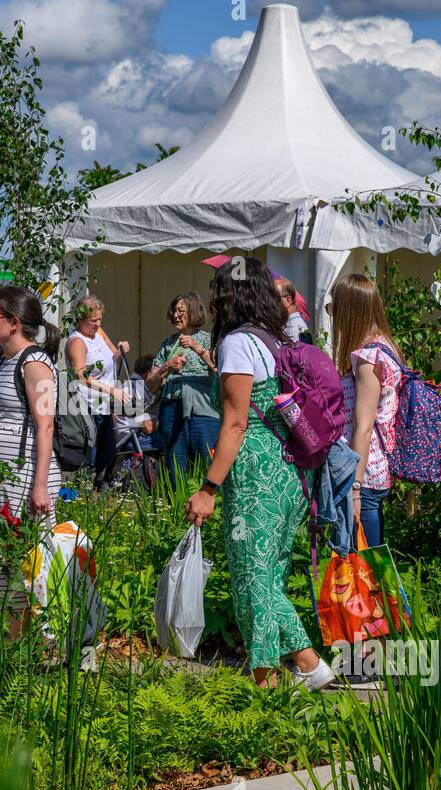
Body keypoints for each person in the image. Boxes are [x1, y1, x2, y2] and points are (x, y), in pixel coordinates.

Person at [183, 257, 334, 690]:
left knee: (252, 575)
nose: (212, 301)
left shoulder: (235, 343)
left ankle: (264, 682)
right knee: (266, 576)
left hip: (254, 474)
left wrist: (209, 488)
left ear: (229, 296)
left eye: (216, 293)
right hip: (288, 470)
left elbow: (235, 423)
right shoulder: (271, 340)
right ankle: (308, 665)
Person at [0, 285, 61, 638]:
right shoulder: (5, 361)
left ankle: (49, 644)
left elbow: (45, 424)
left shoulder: (35, 363)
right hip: (7, 479)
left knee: (33, 566)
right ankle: (18, 644)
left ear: (13, 322)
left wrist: (39, 486)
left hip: (28, 479)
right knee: (10, 564)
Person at [329, 273, 404, 548]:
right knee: (368, 568)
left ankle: (383, 594)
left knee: (366, 568)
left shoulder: (367, 357)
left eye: (334, 305)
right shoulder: (384, 344)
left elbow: (363, 426)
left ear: (349, 309)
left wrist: (354, 489)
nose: (331, 311)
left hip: (365, 477)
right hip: (375, 470)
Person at [145, 292, 220, 481]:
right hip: (172, 410)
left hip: (202, 411)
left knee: (206, 464)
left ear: (193, 312)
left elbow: (219, 369)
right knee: (175, 467)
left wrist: (197, 348)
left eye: (181, 311)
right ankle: (176, 507)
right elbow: (151, 385)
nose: (176, 315)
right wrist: (167, 366)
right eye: (174, 310)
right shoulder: (168, 344)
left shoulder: (207, 340)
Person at [65, 295, 129, 488]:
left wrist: (121, 349)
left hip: (103, 405)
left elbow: (114, 357)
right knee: (90, 455)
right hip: (86, 406)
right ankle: (84, 492)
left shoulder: (99, 333)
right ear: (80, 319)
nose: (98, 323)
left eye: (100, 319)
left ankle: (98, 489)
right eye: (93, 321)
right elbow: (80, 375)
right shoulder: (77, 342)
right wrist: (110, 390)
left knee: (108, 451)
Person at [276, 277, 310, 343]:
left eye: (274, 298)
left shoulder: (292, 330)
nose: (270, 302)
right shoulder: (293, 324)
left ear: (288, 300)